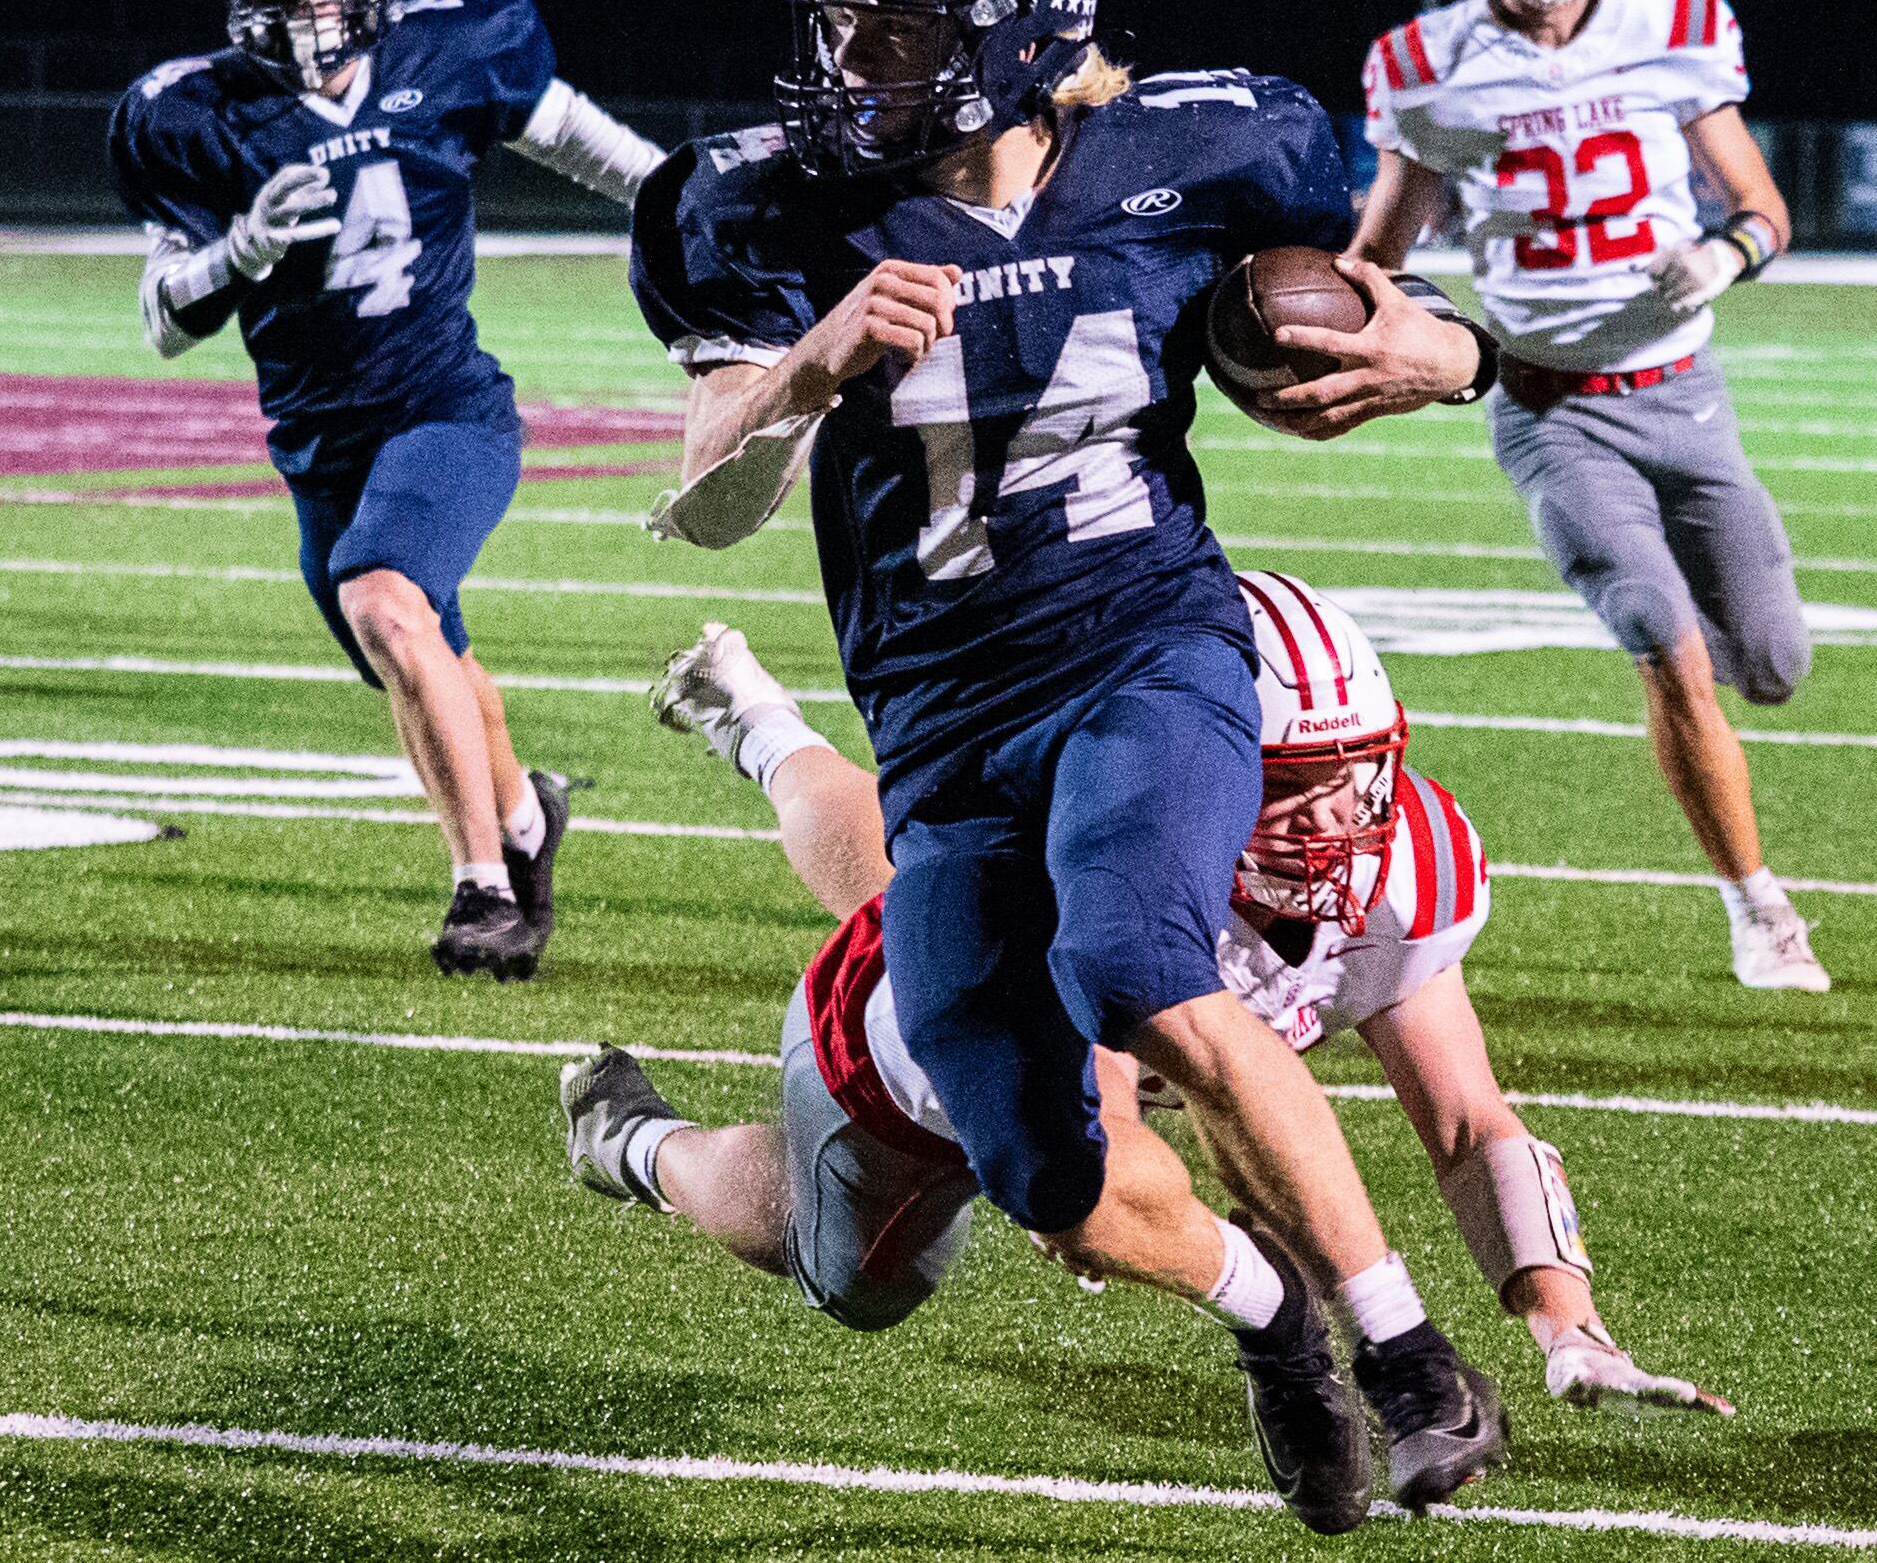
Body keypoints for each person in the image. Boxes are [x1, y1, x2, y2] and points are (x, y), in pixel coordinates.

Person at [619, 0, 1507, 1527]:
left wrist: (1445, 352)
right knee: (1043, 1172)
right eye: (837, 24)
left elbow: (1413, 311)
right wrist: (811, 363)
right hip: (945, 727)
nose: (842, 65)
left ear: (1015, 31)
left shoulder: (1206, 146)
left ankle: (1409, 1355)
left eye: (884, 31)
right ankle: (1275, 1325)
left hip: (1146, 648)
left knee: (1134, 951)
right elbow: (706, 503)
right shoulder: (767, 208)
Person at [578, 580, 1731, 1423]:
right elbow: (1086, 1183)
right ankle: (634, 1141)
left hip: (1104, 997)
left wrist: (1565, 1327)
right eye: (1288, 786)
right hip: (909, 1049)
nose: (1336, 818)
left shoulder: (1403, 865)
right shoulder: (1103, 874)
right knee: (845, 1271)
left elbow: (1469, 1125)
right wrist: (1285, 1322)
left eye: (1356, 772)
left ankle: (756, 722)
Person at [107, 0, 664, 979]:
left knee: (386, 598)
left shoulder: (453, 49)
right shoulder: (195, 112)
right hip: (320, 445)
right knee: (425, 656)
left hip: (444, 409)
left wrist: (702, 216)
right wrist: (241, 252)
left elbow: (603, 155)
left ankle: (481, 890)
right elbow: (167, 322)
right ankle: (523, 822)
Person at [1341, 0, 1830, 994]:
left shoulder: (1678, 27)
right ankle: (1756, 908)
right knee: (1667, 653)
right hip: (1548, 407)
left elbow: (1763, 208)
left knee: (1768, 663)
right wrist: (1385, 334)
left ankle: (1709, 691)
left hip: (1682, 389)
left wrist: (1722, 256)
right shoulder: (1425, 65)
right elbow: (1377, 257)